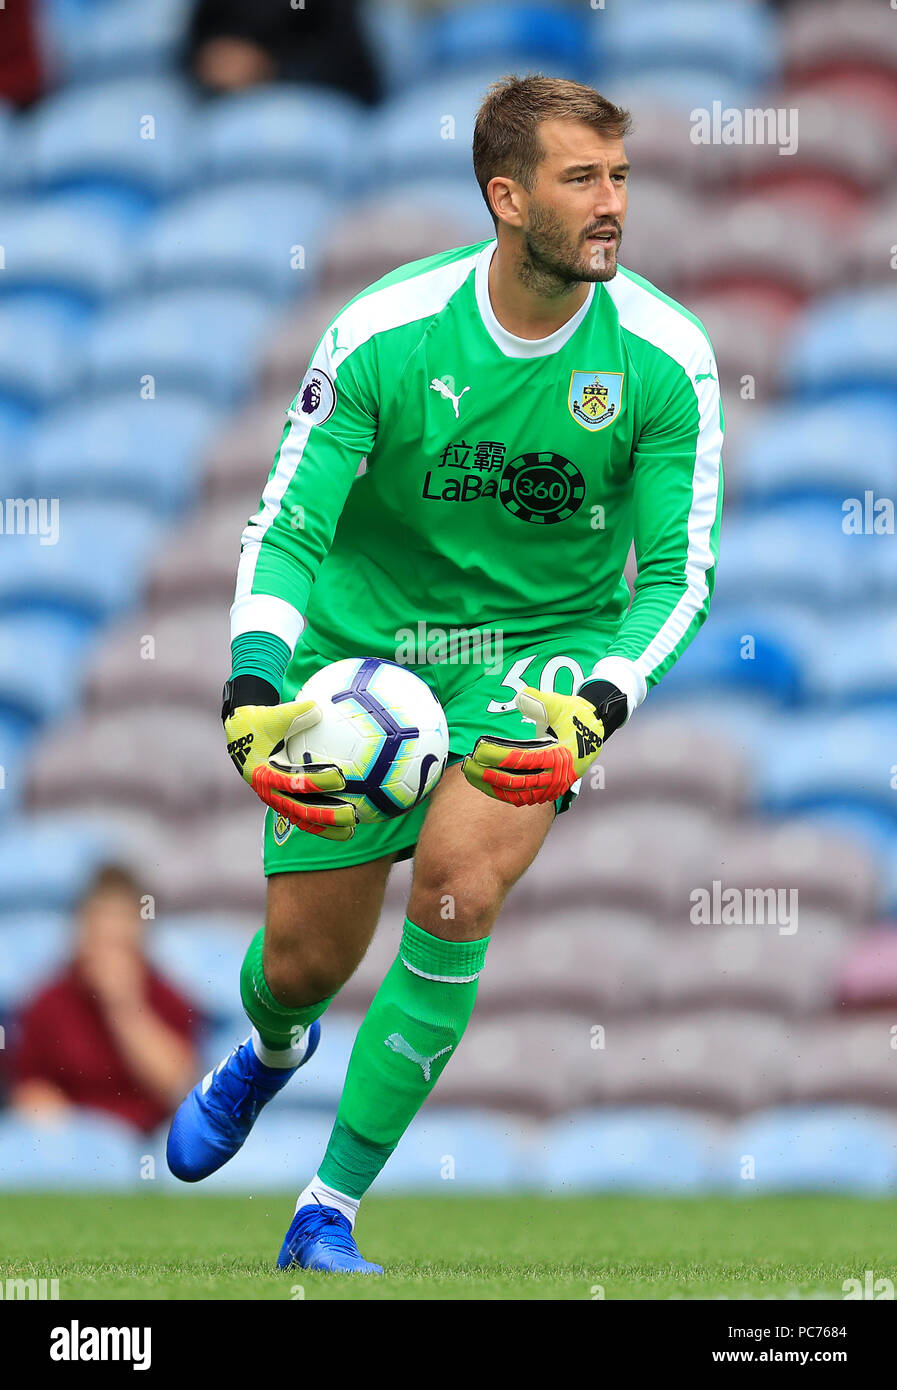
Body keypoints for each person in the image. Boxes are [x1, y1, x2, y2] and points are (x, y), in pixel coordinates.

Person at [167, 75, 724, 1273]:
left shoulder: (667, 358)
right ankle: (269, 1047)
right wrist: (254, 686)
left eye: (621, 177)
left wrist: (602, 702)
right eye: (583, 180)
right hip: (365, 652)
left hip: (540, 657)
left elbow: (677, 574)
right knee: (308, 962)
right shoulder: (383, 334)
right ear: (506, 196)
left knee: (460, 884)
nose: (613, 204)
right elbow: (289, 525)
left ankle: (329, 1207)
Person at [10, 865, 197, 1135]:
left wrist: (124, 1007)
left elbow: (180, 1087)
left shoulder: (168, 997)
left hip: (147, 1144)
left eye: (118, 944)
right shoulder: (48, 1001)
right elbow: (28, 1088)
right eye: (99, 940)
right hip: (71, 1143)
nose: (107, 958)